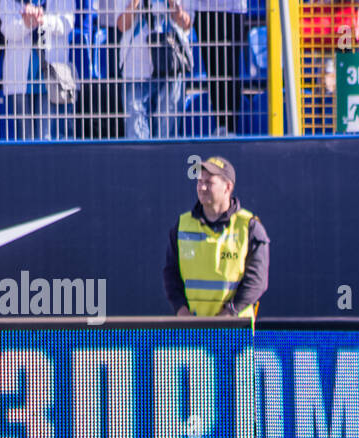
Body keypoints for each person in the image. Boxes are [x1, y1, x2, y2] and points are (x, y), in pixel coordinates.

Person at [165, 156, 270, 319]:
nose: (202, 187)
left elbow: (257, 281)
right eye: (199, 182)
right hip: (192, 329)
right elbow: (171, 274)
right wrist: (181, 311)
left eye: (209, 182)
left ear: (227, 187)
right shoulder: (182, 224)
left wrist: (229, 312)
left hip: (234, 330)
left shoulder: (249, 226)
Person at [107, 0, 191, 138]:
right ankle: (139, 159)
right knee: (135, 130)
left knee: (168, 130)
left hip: (170, 67)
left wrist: (173, 5)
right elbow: (122, 25)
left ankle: (165, 159)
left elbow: (186, 25)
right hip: (135, 68)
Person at [0, 0, 76, 140]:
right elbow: (7, 29)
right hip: (18, 75)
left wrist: (42, 19)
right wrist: (27, 24)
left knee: (47, 138)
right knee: (24, 139)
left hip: (52, 76)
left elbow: (67, 23)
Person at [185, 0, 244, 135]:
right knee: (213, 71)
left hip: (233, 9)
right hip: (204, 9)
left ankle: (231, 127)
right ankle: (221, 125)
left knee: (230, 70)